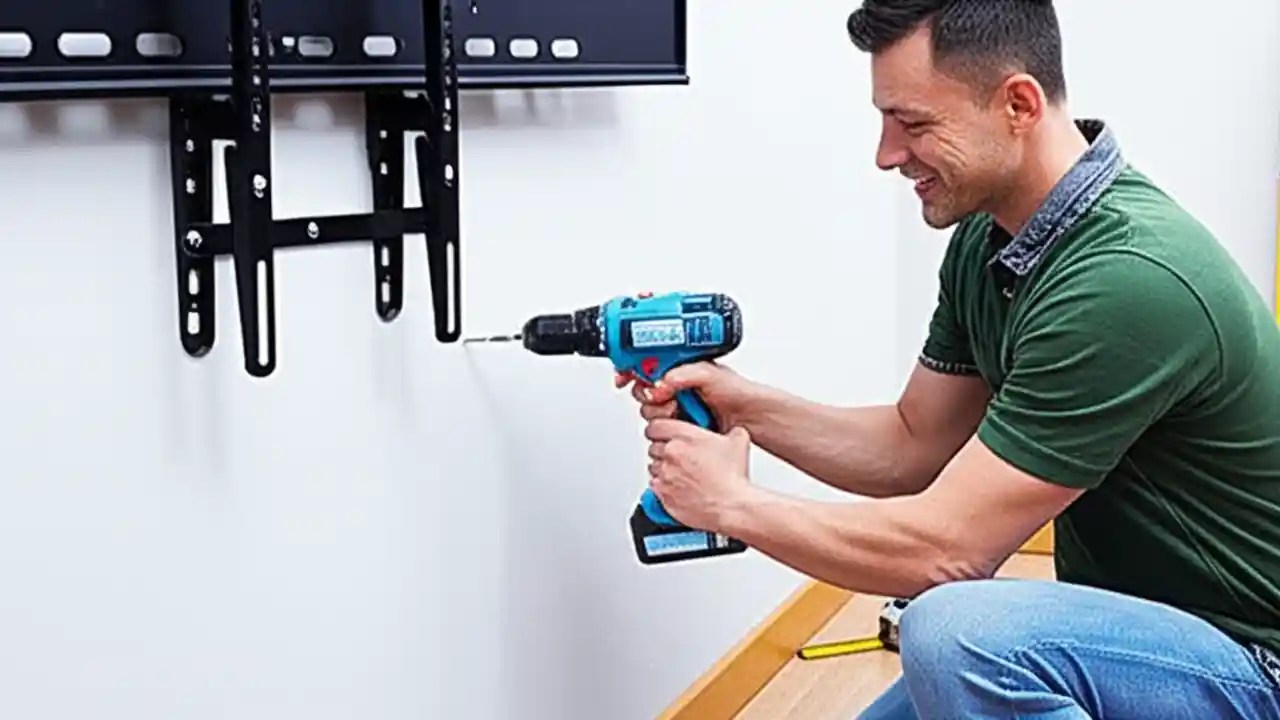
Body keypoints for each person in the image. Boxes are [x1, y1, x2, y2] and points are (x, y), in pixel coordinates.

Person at [616, 0, 1280, 717]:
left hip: (1252, 663)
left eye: (913, 123)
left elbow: (947, 552)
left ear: (1018, 104)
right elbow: (914, 445)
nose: (886, 153)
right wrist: (741, 404)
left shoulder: (1127, 280)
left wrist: (733, 506)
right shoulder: (992, 240)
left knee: (955, 632)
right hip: (1140, 638)